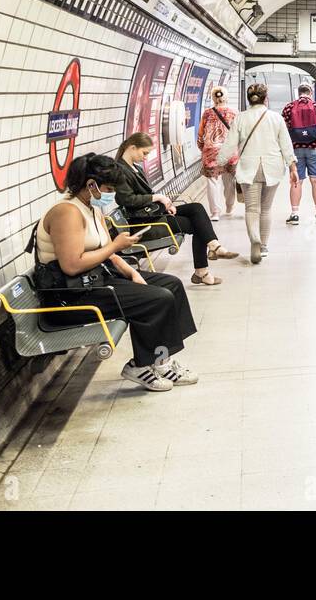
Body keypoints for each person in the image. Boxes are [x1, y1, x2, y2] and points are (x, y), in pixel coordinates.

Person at [33, 153, 199, 392]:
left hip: (95, 279)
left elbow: (108, 253)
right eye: (108, 187)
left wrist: (132, 273)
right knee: (156, 298)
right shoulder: (66, 213)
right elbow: (71, 265)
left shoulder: (90, 208)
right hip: (71, 295)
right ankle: (140, 365)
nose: (111, 193)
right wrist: (115, 246)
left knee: (171, 285)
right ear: (90, 184)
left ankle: (161, 361)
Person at [113, 132, 238, 286]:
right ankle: (204, 268)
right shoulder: (120, 170)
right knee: (198, 226)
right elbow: (126, 199)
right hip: (145, 223)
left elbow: (145, 195)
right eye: (144, 153)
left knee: (196, 208)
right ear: (132, 147)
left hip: (153, 213)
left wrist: (167, 204)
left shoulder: (134, 168)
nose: (145, 157)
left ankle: (213, 247)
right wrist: (157, 198)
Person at [220, 83, 298, 264]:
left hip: (249, 167)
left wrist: (219, 162)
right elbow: (286, 144)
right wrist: (292, 166)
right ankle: (263, 245)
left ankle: (254, 238)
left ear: (249, 99)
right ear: (266, 98)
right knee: (266, 208)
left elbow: (230, 145)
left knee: (252, 208)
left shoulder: (240, 118)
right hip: (272, 167)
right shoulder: (276, 118)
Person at [281, 82, 316, 225]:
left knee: (297, 181)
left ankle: (295, 215)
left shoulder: (289, 107)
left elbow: (283, 129)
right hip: (315, 148)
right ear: (310, 93)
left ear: (299, 92)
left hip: (295, 149)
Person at [197, 85, 238, 221]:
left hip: (211, 150)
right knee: (229, 180)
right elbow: (238, 133)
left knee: (212, 182)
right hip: (229, 150)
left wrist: (203, 147)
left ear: (213, 98)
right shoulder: (234, 112)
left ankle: (215, 213)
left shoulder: (207, 113)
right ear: (226, 97)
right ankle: (229, 206)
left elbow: (200, 134)